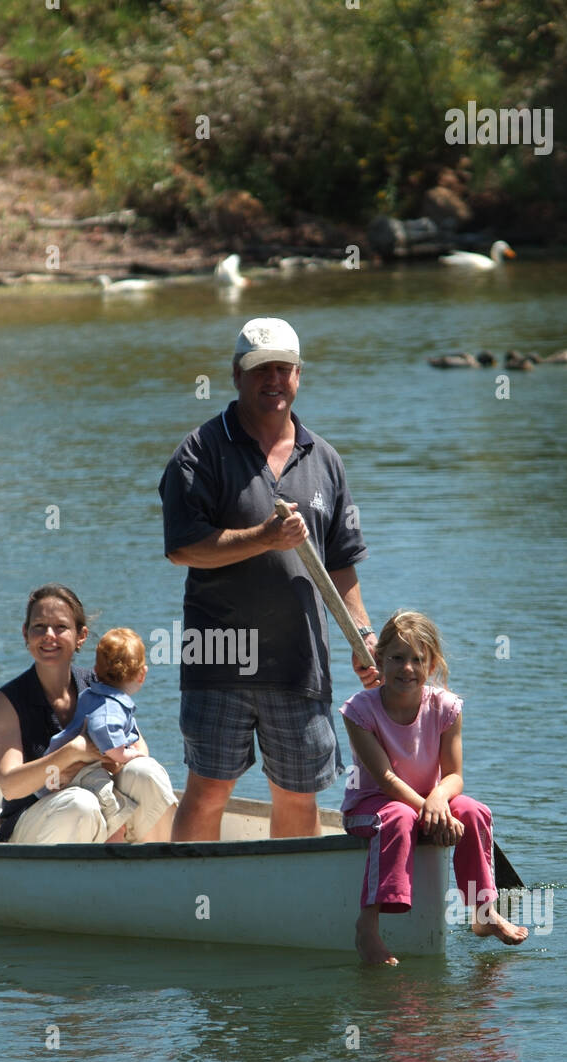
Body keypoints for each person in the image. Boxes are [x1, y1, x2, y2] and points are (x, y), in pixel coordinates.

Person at [159, 316, 379, 843]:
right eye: (260, 370)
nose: (272, 380)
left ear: (299, 375)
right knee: (210, 787)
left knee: (298, 793)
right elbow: (183, 549)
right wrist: (264, 536)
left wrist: (362, 635)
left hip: (299, 659)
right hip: (218, 655)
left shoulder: (325, 459)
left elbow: (341, 561)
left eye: (283, 369)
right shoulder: (200, 451)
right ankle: (193, 903)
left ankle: (289, 910)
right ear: (237, 375)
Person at [340, 610, 529, 965]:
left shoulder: (445, 707)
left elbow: (455, 775)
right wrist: (429, 808)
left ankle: (483, 913)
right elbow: (386, 779)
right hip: (371, 808)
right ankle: (367, 928)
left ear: (432, 664)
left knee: (473, 811)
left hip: (428, 803)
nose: (407, 668)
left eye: (417, 659)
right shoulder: (360, 711)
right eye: (397, 658)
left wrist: (439, 797)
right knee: (397, 816)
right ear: (378, 659)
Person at [0, 585, 176, 845]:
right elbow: (10, 786)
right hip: (31, 827)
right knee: (81, 803)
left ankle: (157, 870)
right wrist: (73, 753)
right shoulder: (8, 700)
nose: (49, 635)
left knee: (146, 772)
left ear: (81, 636)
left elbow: (138, 746)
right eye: (39, 626)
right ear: (25, 633)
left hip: (99, 810)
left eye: (61, 627)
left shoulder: (99, 682)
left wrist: (111, 760)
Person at [37, 627, 150, 841]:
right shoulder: (111, 706)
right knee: (110, 802)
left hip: (61, 769)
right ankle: (115, 840)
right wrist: (123, 755)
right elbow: (103, 728)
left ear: (96, 670)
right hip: (78, 769)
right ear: (142, 674)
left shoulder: (95, 694)